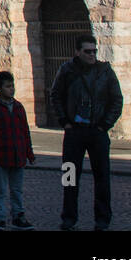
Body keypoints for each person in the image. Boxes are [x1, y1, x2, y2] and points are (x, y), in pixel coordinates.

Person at [49, 34, 122, 231]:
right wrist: (64, 122)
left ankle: (102, 219)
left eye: (94, 51)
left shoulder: (105, 71)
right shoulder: (67, 70)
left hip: (97, 131)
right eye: (87, 51)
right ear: (77, 52)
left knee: (102, 177)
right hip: (74, 132)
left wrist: (104, 125)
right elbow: (55, 96)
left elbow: (117, 100)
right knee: (70, 176)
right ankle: (69, 217)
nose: (91, 55)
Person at [0, 70, 36, 230]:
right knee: (0, 189)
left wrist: (29, 153)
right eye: (8, 86)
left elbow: (25, 131)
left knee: (17, 190)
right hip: (0, 155)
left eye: (12, 86)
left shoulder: (18, 107)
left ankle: (18, 216)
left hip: (18, 155)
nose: (12, 89)